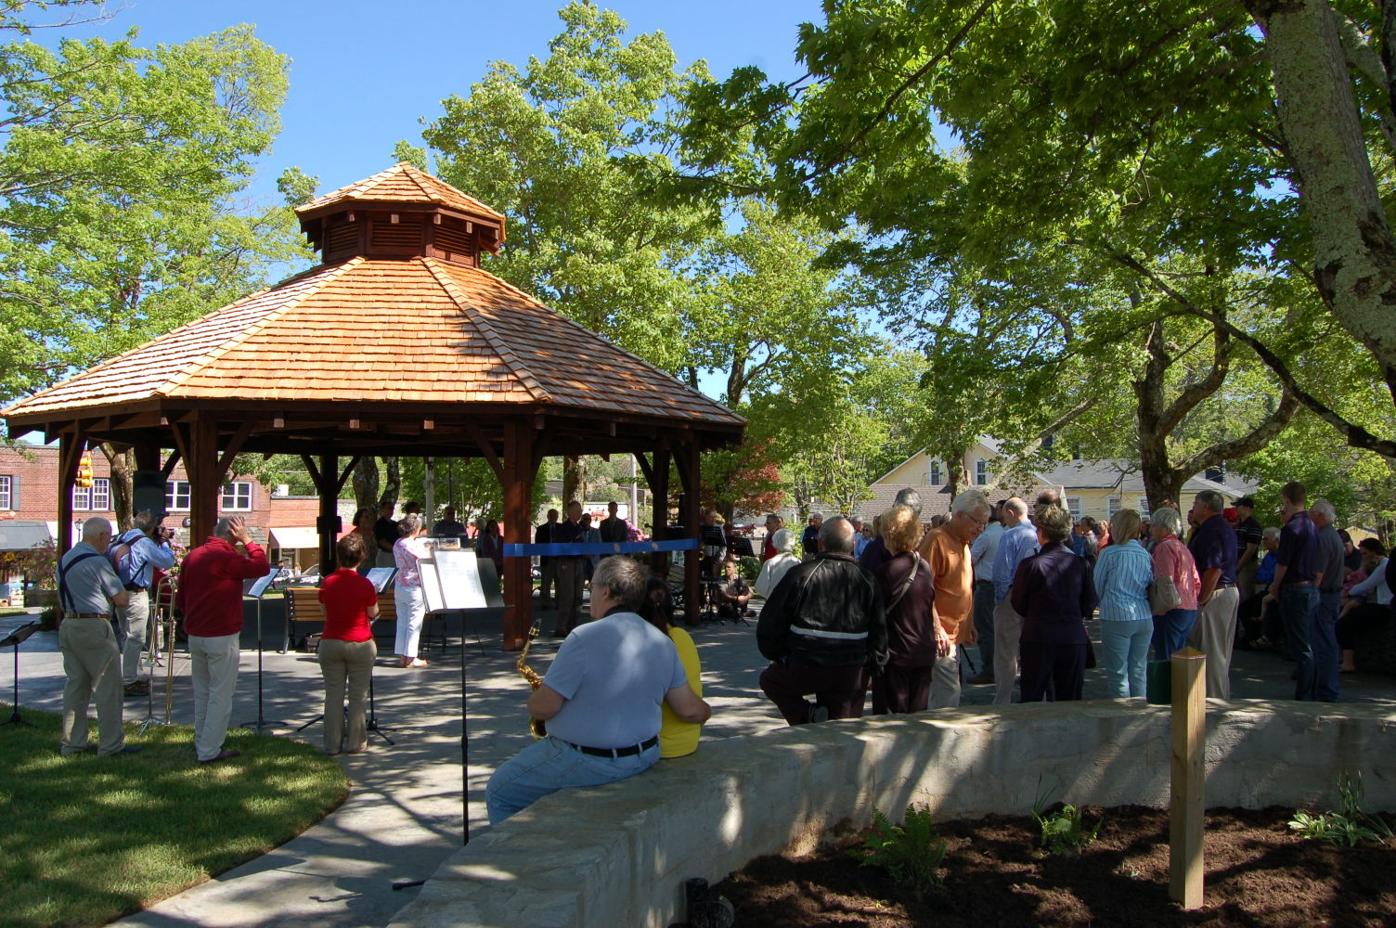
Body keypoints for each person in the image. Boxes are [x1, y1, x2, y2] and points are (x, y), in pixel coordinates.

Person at [485, 557, 711, 823]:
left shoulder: (582, 637)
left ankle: (522, 861)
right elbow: (688, 709)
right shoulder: (662, 641)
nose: (590, 594)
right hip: (645, 755)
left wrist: (536, 697)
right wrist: (708, 710)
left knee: (500, 791)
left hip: (589, 759)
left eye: (591, 588)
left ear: (606, 591)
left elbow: (545, 708)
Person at [756, 517, 887, 725]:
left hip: (806, 664)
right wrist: (873, 667)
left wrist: (779, 655)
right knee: (843, 729)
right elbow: (880, 631)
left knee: (770, 680)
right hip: (851, 669)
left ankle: (806, 715)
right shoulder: (867, 579)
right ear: (853, 545)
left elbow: (770, 623)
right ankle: (817, 723)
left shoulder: (801, 574)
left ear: (820, 543)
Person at [176, 515, 269, 763]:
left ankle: (202, 741)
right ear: (232, 535)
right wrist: (248, 540)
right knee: (220, 694)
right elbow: (261, 566)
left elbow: (181, 597)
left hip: (196, 634)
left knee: (203, 692)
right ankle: (209, 749)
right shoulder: (227, 558)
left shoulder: (192, 556)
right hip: (222, 634)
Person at [56, 517, 137, 757]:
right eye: (108, 537)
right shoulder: (97, 561)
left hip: (69, 623)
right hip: (94, 625)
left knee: (76, 687)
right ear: (101, 536)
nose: (109, 542)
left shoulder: (64, 559)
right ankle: (111, 745)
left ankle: (72, 744)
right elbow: (121, 599)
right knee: (108, 687)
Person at [1011, 504, 1097, 702]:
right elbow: (1089, 603)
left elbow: (1018, 603)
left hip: (1038, 635)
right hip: (1071, 635)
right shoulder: (1080, 564)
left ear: (1041, 532)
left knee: (1032, 696)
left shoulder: (1030, 565)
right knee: (1070, 699)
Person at [916, 488, 989, 707]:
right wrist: (937, 628)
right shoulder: (937, 540)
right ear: (959, 515)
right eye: (977, 522)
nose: (980, 528)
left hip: (954, 634)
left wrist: (970, 621)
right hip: (940, 635)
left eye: (983, 523)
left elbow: (964, 587)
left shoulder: (964, 543)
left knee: (945, 693)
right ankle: (940, 737)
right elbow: (923, 588)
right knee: (948, 694)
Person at [317, 532, 379, 754]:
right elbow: (373, 612)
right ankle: (356, 743)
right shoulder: (365, 584)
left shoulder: (328, 581)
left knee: (333, 694)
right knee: (358, 696)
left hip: (331, 641)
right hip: (360, 642)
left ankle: (331, 745)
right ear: (361, 557)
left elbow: (325, 611)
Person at [871, 505, 936, 713]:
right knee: (918, 715)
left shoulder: (886, 571)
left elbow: (874, 616)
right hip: (923, 649)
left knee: (893, 721)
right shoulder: (924, 567)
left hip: (896, 653)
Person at [110, 508, 177, 697]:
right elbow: (167, 562)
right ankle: (129, 680)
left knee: (126, 635)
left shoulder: (123, 537)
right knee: (136, 638)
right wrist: (164, 543)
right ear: (153, 528)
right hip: (136, 594)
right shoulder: (144, 543)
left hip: (119, 593)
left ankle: (134, 673)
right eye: (160, 527)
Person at [1267, 481, 1323, 700]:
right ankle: (1310, 688)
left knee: (1301, 645)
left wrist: (1275, 585)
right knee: (1308, 641)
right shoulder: (1312, 526)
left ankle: (1305, 694)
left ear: (1287, 500)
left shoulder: (1292, 528)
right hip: (1310, 588)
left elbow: (1283, 563)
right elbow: (1320, 563)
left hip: (1295, 588)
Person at [638, 577, 705, 758]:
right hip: (688, 740)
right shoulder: (682, 636)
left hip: (652, 746)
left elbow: (685, 709)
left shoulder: (640, 642)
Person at [1187, 490, 1241, 699]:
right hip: (1224, 591)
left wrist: (1202, 599)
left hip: (1216, 593)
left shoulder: (1212, 529)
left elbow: (1214, 568)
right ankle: (1214, 699)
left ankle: (1214, 703)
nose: (1194, 506)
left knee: (1212, 654)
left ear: (1206, 507)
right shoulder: (1220, 527)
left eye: (1196, 502)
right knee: (1217, 653)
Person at [1094, 508, 1153, 698]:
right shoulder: (1144, 553)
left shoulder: (1109, 553)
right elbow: (1149, 582)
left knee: (1118, 674)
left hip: (1116, 614)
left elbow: (1098, 584)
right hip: (1143, 614)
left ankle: (1122, 719)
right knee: (1138, 671)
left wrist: (1104, 602)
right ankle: (1139, 714)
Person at [992, 497, 1040, 705]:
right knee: (1031, 647)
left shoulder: (1010, 535)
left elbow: (1002, 570)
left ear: (1010, 513)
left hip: (1012, 593)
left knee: (1006, 650)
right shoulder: (1037, 533)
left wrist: (1000, 597)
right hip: (1035, 595)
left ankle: (1003, 698)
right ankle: (1035, 694)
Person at [1149, 507, 1200, 662]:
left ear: (1164, 527)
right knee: (1179, 656)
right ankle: (1178, 686)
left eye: (1154, 525)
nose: (1151, 529)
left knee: (1166, 658)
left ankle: (1167, 687)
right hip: (1189, 607)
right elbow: (1196, 581)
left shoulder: (1164, 547)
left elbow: (1165, 581)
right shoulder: (1182, 547)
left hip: (1171, 610)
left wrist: (1160, 608)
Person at [1308, 498, 1344, 701]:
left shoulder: (1323, 537)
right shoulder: (1333, 536)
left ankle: (1326, 690)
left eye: (1312, 512)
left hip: (1324, 595)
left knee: (1323, 643)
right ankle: (1325, 688)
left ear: (1319, 515)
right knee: (1326, 642)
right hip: (1331, 594)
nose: (1309, 515)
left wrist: (1311, 593)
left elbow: (1318, 574)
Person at [1337, 539, 1390, 671]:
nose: (1362, 557)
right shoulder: (1375, 565)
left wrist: (1347, 591)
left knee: (1344, 623)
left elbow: (1366, 586)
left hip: (1383, 606)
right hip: (1374, 602)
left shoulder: (1384, 566)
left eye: (1365, 553)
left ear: (1374, 552)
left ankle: (1348, 662)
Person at [967, 501, 1004, 685]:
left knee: (985, 629)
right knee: (997, 629)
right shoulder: (1003, 533)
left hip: (986, 585)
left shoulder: (987, 536)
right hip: (1001, 586)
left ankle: (989, 669)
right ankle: (998, 667)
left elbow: (969, 560)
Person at [392, 513, 432, 668]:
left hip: (400, 585)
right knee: (414, 623)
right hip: (414, 587)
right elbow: (426, 558)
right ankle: (410, 657)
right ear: (416, 529)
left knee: (402, 621)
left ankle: (402, 655)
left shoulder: (397, 543)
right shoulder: (412, 545)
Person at [554, 501, 587, 636]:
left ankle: (573, 625)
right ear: (570, 512)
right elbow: (560, 546)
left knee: (578, 596)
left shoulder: (580, 528)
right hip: (566, 563)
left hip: (579, 562)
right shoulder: (561, 528)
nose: (579, 513)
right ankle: (561, 626)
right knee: (568, 595)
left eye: (580, 511)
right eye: (577, 511)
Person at [1233, 496, 1264, 605]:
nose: (1235, 508)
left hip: (1247, 566)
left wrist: (1239, 566)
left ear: (1247, 508)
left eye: (1238, 506)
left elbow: (1251, 549)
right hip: (1236, 563)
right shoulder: (1238, 524)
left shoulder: (1253, 525)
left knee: (1246, 596)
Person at [754, 528, 799, 599]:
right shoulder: (798, 562)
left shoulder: (770, 563)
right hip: (793, 604)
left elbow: (760, 588)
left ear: (775, 543)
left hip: (774, 603)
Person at [535, 508, 560, 609]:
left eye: (555, 516)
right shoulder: (541, 529)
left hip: (559, 560)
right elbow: (538, 544)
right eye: (551, 516)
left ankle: (559, 603)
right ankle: (545, 603)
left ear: (557, 517)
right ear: (548, 516)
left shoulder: (561, 528)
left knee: (560, 582)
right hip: (547, 559)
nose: (553, 517)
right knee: (546, 582)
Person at [373, 500, 400, 568]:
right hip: (385, 554)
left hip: (394, 554)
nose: (391, 510)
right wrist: (396, 550)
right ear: (382, 509)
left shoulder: (394, 524)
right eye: (389, 508)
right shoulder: (379, 524)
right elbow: (382, 541)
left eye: (392, 508)